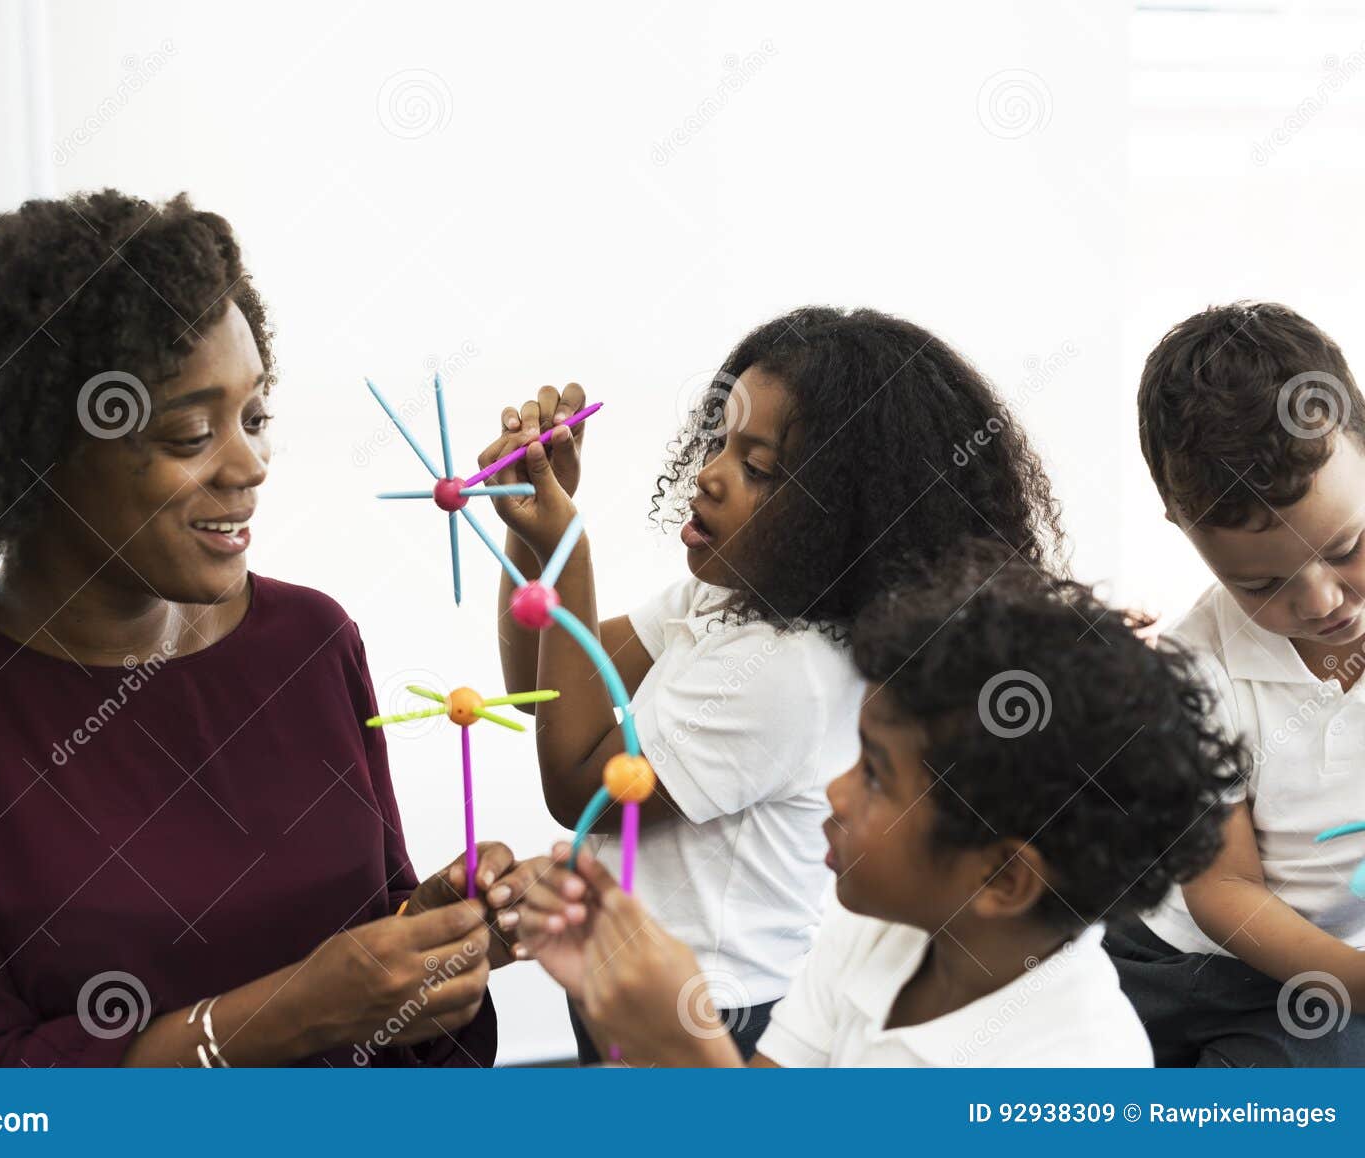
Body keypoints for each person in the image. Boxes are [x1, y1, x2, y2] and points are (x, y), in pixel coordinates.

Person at [0, 189, 538, 1067]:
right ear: (35, 450)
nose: (250, 464)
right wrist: (282, 1015)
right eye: (192, 432)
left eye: (255, 417)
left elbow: (366, 950)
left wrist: (427, 942)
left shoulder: (309, 643)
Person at [478, 309, 1064, 1060]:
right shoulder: (732, 597)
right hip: (624, 981)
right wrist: (532, 538)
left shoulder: (793, 668)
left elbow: (576, 782)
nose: (710, 474)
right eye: (719, 441)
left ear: (848, 520)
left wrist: (568, 553)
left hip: (713, 1012)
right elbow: (543, 684)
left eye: (759, 470)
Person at [516, 555, 1243, 1067]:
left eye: (873, 776)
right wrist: (630, 1005)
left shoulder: (1072, 1068)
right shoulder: (876, 937)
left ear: (1003, 879)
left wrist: (683, 1053)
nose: (834, 793)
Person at [1114, 301, 1365, 1065]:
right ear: (1182, 528)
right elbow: (1222, 892)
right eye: (1263, 585)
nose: (1321, 602)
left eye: (1348, 547)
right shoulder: (1198, 666)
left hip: (1312, 978)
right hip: (1166, 949)